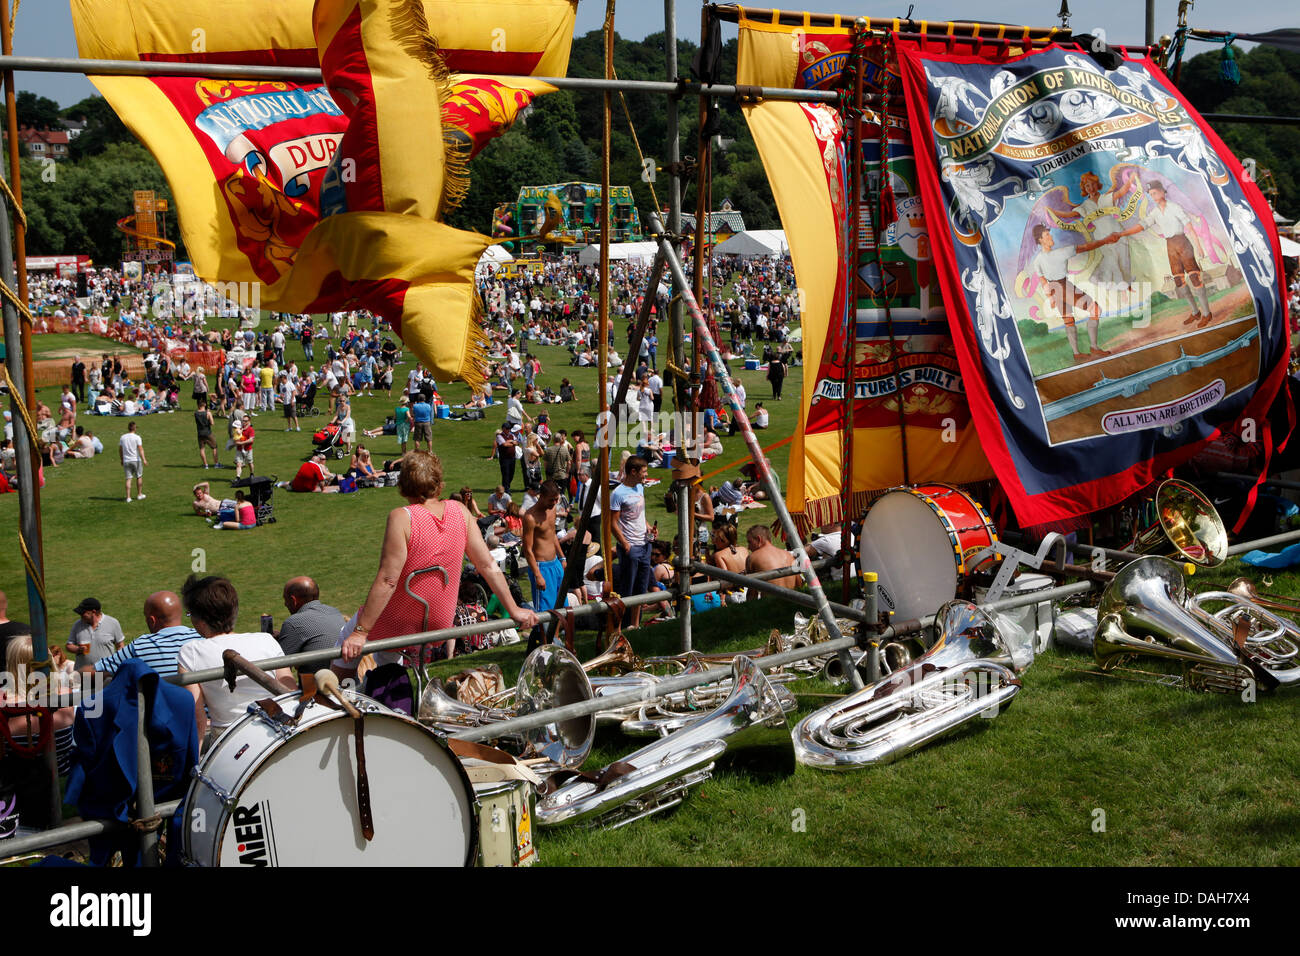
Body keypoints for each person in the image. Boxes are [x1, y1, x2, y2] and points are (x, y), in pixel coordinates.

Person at [339, 451, 537, 708]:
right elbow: (488, 564)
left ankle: (337, 704)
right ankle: (393, 706)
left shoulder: (402, 516)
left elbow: (388, 580)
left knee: (345, 642)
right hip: (440, 622)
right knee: (387, 656)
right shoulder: (460, 511)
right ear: (437, 481)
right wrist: (515, 610)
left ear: (404, 484)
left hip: (399, 620)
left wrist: (359, 632)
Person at [175, 574, 294, 749]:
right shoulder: (266, 640)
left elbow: (197, 719)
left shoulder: (189, 652)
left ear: (198, 619)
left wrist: (195, 768)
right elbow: (291, 692)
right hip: (276, 735)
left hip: (229, 743)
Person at [1029, 223, 1115, 362]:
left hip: (1054, 288)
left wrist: (1050, 297)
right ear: (1040, 240)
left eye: (1049, 233)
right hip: (1062, 286)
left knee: (1068, 320)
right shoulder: (1061, 252)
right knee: (1095, 309)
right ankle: (1093, 347)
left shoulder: (1037, 260)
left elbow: (1043, 280)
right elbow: (1086, 247)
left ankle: (1076, 354)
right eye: (1046, 235)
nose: (1050, 236)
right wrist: (1105, 240)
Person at [90, 591, 200, 679]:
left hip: (159, 707)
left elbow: (96, 671)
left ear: (152, 620)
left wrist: (75, 675)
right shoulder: (201, 638)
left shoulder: (141, 646)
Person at [277, 577, 346, 693]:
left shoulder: (293, 622)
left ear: (293, 600)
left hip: (318, 693)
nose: (285, 604)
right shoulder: (334, 611)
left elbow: (279, 668)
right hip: (346, 686)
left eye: (285, 599)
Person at [610, 455, 653, 627]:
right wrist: (625, 544)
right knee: (626, 590)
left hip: (645, 544)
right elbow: (612, 523)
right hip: (630, 547)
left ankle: (635, 626)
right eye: (644, 472)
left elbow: (640, 515)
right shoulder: (618, 494)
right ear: (633, 472)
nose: (646, 475)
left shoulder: (639, 488)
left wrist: (649, 527)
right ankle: (618, 627)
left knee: (641, 590)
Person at [522, 480, 566, 618]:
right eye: (551, 500)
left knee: (562, 606)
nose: (554, 503)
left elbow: (551, 534)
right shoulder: (530, 517)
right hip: (541, 567)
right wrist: (537, 575)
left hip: (556, 564)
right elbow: (527, 549)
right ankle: (545, 638)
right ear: (541, 496)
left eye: (556, 499)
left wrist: (562, 557)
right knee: (545, 612)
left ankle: (557, 637)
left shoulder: (552, 509)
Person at [65, 597, 126, 670]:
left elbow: (120, 646)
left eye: (83, 613)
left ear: (93, 612)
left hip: (104, 672)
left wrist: (118, 665)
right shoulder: (77, 625)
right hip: (84, 673)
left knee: (102, 681)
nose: (80, 616)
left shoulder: (113, 623)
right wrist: (78, 649)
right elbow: (69, 645)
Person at [744, 525, 798, 595]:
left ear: (759, 539)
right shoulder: (789, 555)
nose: (748, 547)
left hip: (771, 604)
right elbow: (799, 584)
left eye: (750, 542)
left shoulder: (752, 557)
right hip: (794, 602)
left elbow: (752, 593)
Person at [119, 420, 147, 502]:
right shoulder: (137, 437)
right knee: (139, 476)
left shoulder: (123, 437)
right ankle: (139, 494)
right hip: (135, 460)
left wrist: (121, 459)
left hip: (126, 460)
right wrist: (144, 459)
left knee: (128, 478)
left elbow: (120, 450)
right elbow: (140, 449)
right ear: (135, 429)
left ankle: (128, 497)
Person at [195, 398, 220, 468]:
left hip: (200, 433)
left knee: (202, 449)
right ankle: (216, 464)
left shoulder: (195, 413)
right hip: (207, 432)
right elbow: (212, 423)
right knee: (214, 447)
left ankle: (205, 465)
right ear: (205, 404)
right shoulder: (208, 413)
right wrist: (209, 414)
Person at [493, 422, 518, 491]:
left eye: (509, 429)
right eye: (507, 429)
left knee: (511, 473)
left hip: (512, 457)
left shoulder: (511, 435)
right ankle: (506, 489)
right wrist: (512, 443)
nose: (509, 430)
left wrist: (510, 441)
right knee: (505, 474)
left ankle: (507, 486)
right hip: (504, 458)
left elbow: (517, 442)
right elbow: (504, 445)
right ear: (503, 429)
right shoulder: (499, 436)